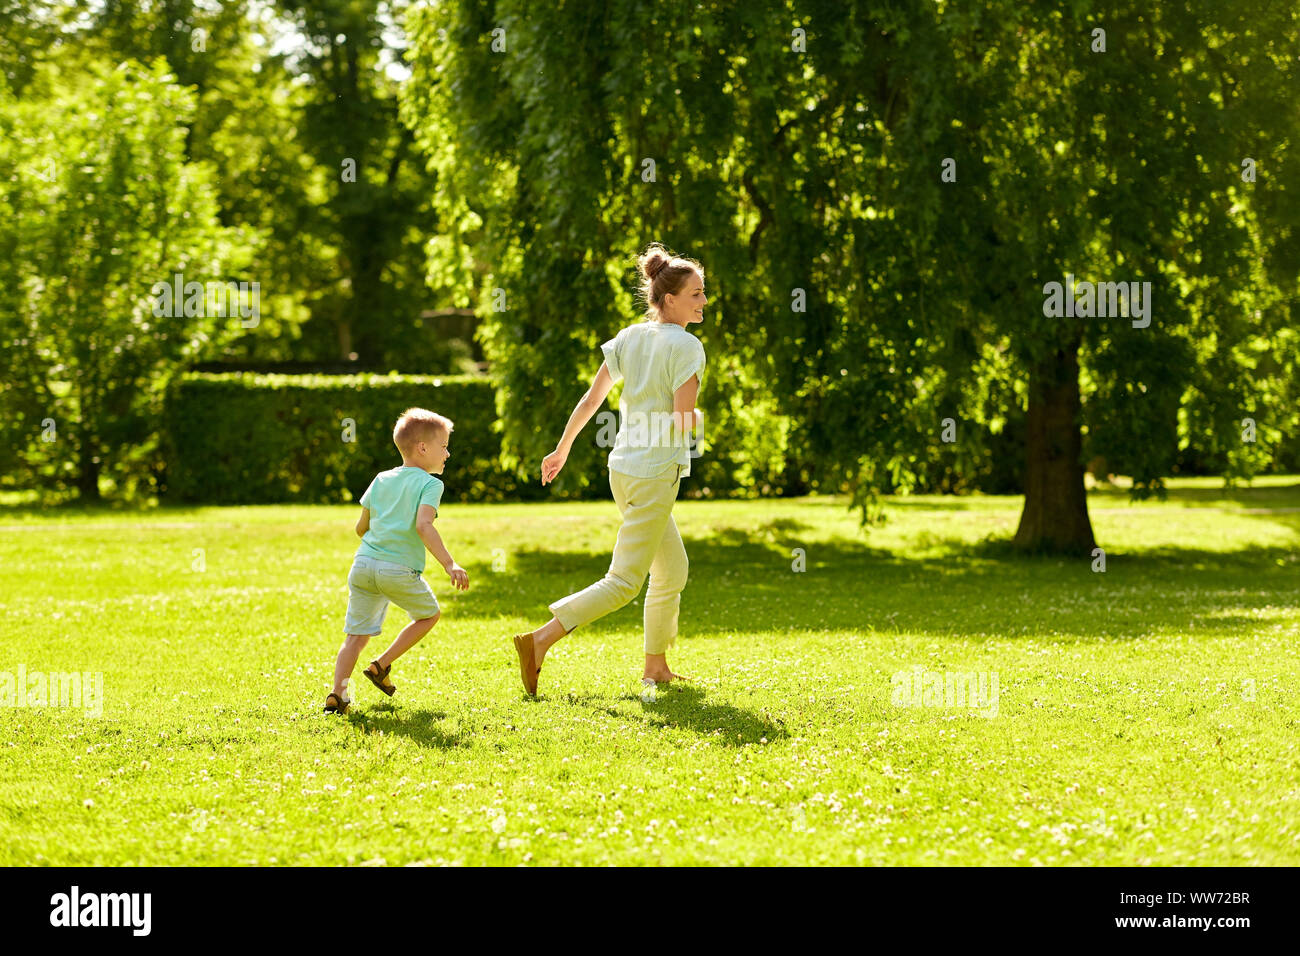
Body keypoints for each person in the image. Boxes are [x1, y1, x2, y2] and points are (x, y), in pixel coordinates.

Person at [511, 242, 706, 696]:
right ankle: (540, 640)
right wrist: (699, 420)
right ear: (670, 298)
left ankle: (655, 666)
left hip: (623, 469)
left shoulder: (629, 337)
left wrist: (562, 450)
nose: (703, 302)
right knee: (623, 582)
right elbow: (683, 420)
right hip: (656, 473)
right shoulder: (688, 347)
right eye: (696, 294)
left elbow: (591, 400)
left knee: (672, 570)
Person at [325, 408, 469, 714]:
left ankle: (338, 693)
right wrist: (449, 564)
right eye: (443, 446)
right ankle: (381, 664)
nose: (448, 453)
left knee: (355, 636)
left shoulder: (380, 479)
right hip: (398, 570)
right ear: (423, 448)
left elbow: (360, 528)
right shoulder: (431, 484)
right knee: (428, 615)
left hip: (363, 566)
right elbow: (423, 526)